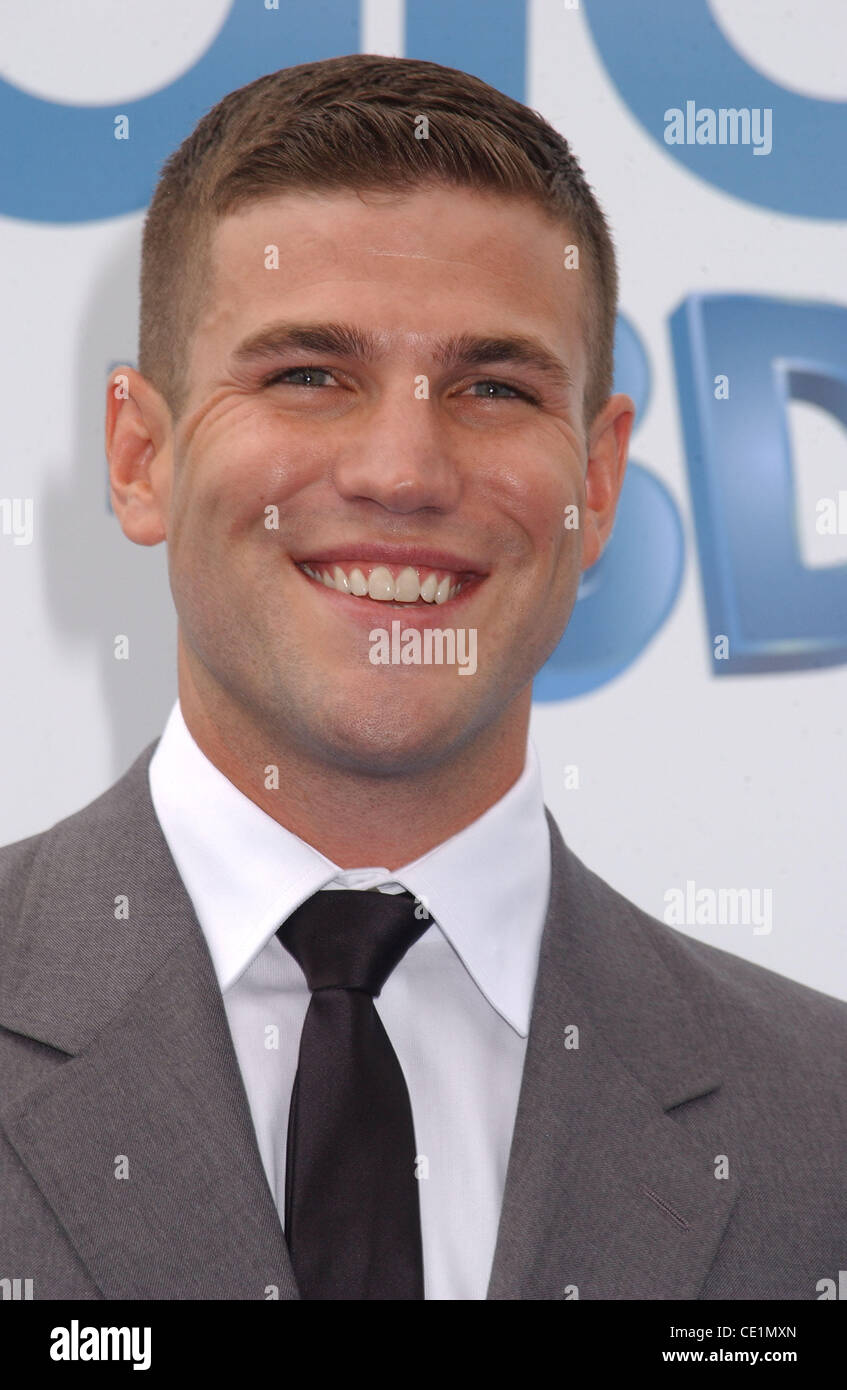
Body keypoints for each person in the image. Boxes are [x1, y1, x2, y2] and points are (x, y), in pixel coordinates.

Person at [1, 54, 845, 1303]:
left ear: (597, 484)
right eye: (306, 375)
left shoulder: (819, 1122)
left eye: (492, 387)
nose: (403, 469)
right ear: (139, 456)